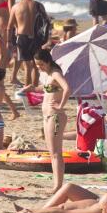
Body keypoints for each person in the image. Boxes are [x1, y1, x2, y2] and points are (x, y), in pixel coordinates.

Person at [36, 48, 71, 192]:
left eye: (41, 65)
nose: (39, 68)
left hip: (55, 116)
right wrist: (32, 88)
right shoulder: (49, 74)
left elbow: (68, 88)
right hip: (48, 116)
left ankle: (58, 185)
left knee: (56, 153)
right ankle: (56, 184)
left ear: (48, 62)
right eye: (37, 65)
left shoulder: (56, 73)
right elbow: (50, 90)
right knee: (52, 153)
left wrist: (61, 105)